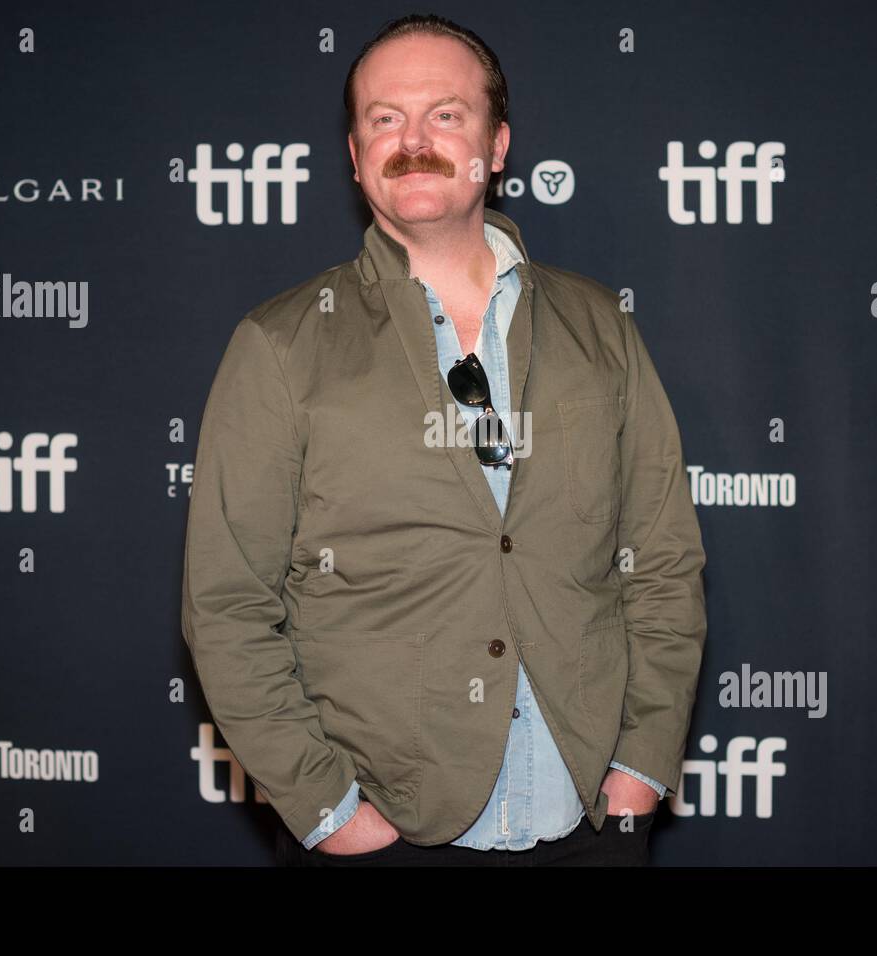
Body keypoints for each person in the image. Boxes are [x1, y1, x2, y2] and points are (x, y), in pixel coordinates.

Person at [180, 13, 708, 867]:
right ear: (354, 157)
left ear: (497, 147)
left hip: (585, 821)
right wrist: (327, 811)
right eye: (385, 119)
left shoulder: (601, 327)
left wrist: (642, 765)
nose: (413, 141)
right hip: (384, 830)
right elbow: (228, 603)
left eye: (445, 115)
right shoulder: (280, 344)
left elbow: (662, 560)